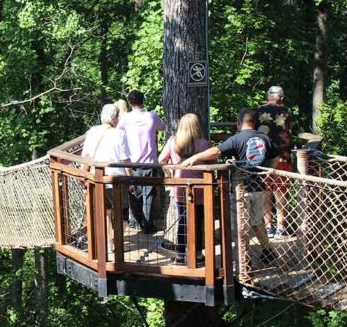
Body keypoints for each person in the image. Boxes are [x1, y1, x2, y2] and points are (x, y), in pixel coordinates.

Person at [182, 108, 278, 268]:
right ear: (254, 122)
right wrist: (268, 173)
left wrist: (195, 157)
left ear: (239, 123)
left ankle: (243, 262)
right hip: (259, 187)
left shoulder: (237, 139)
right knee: (257, 221)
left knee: (240, 226)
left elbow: (216, 151)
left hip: (242, 189)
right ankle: (267, 250)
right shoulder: (264, 138)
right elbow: (276, 156)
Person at [159, 113, 209, 265]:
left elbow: (161, 159)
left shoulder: (173, 142)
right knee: (198, 222)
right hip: (200, 187)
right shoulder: (204, 144)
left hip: (180, 187)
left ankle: (180, 255)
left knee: (182, 221)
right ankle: (198, 255)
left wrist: (169, 174)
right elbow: (213, 162)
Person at [82, 104, 132, 249]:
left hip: (96, 179)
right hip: (116, 180)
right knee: (121, 213)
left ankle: (109, 243)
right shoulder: (120, 134)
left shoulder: (91, 132)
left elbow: (86, 156)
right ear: (115, 118)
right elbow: (125, 160)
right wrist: (131, 178)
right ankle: (117, 243)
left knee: (105, 212)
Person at [117, 90, 165, 233]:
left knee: (134, 194)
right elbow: (162, 127)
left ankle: (139, 222)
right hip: (150, 162)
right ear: (143, 100)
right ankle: (147, 225)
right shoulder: (152, 116)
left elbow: (118, 131)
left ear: (130, 102)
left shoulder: (126, 119)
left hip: (132, 163)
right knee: (148, 194)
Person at [255, 86, 294, 239]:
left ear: (267, 96)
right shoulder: (287, 111)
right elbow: (292, 130)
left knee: (266, 192)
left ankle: (268, 227)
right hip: (282, 157)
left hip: (263, 157)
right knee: (281, 192)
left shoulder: (257, 111)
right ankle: (281, 227)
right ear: (281, 97)